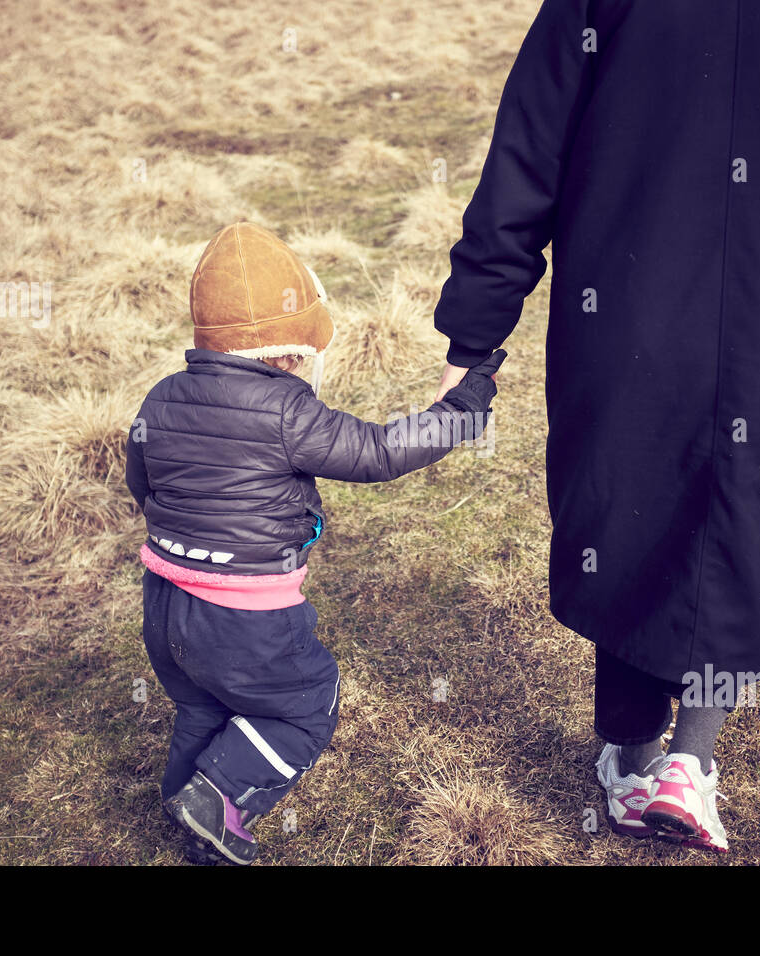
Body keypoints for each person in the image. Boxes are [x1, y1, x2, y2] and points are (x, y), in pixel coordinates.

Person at [431, 0, 760, 852]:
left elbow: (527, 155)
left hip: (625, 311)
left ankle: (636, 759)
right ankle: (690, 764)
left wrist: (476, 330)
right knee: (747, 521)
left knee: (624, 509)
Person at [127, 221, 505, 864]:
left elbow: (143, 483)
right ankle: (215, 797)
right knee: (305, 703)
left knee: (201, 705)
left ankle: (186, 812)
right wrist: (458, 413)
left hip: (163, 602)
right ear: (294, 350)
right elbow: (380, 452)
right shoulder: (285, 410)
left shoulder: (161, 397)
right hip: (246, 617)